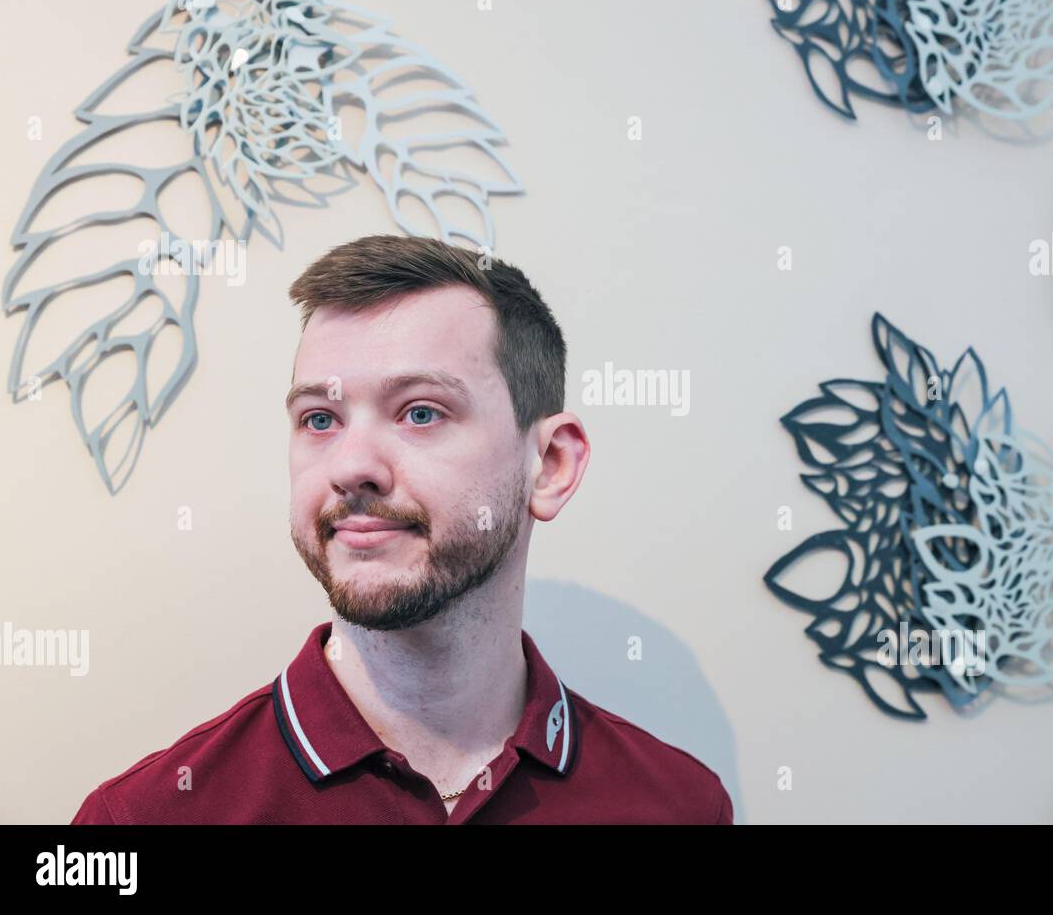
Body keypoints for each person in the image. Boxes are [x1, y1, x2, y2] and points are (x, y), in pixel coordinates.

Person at [71, 235, 733, 824]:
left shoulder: (677, 806)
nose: (351, 466)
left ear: (551, 465)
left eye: (420, 412)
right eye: (320, 418)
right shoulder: (140, 819)